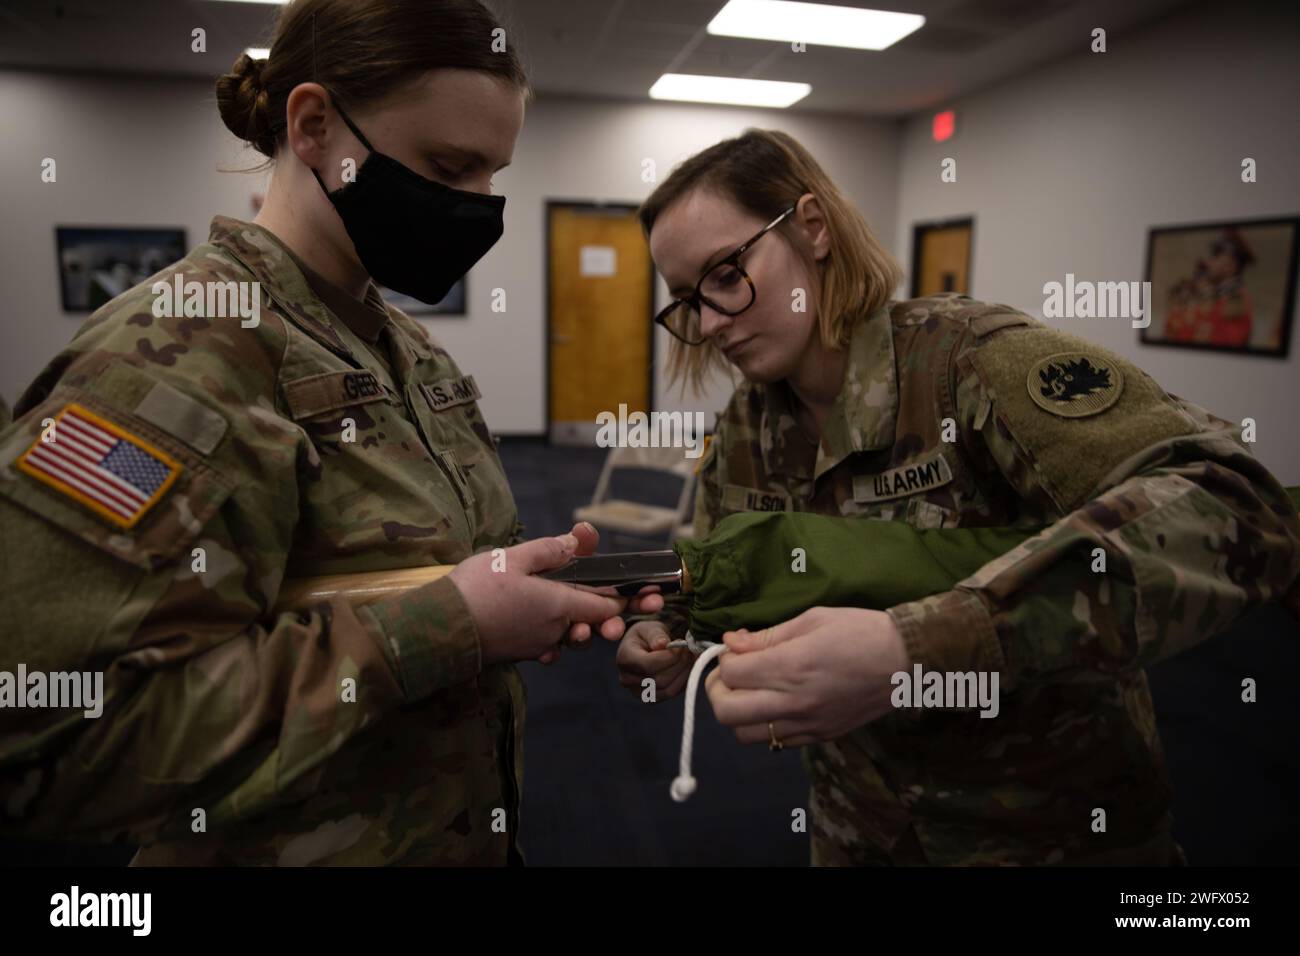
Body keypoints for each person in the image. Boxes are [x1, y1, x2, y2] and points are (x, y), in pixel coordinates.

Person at [0, 0, 662, 866]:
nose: (477, 209)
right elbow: (49, 743)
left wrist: (539, 590)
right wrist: (445, 627)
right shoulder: (167, 357)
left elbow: (421, 572)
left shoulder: (406, 349)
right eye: (448, 166)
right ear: (313, 125)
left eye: (492, 176)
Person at [617, 129, 1300, 865]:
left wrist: (917, 651)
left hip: (1048, 830)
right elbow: (727, 569)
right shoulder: (747, 425)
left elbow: (1233, 504)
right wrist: (671, 639)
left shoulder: (970, 363)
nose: (711, 324)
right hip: (859, 824)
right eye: (688, 300)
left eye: (726, 274)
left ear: (811, 228)